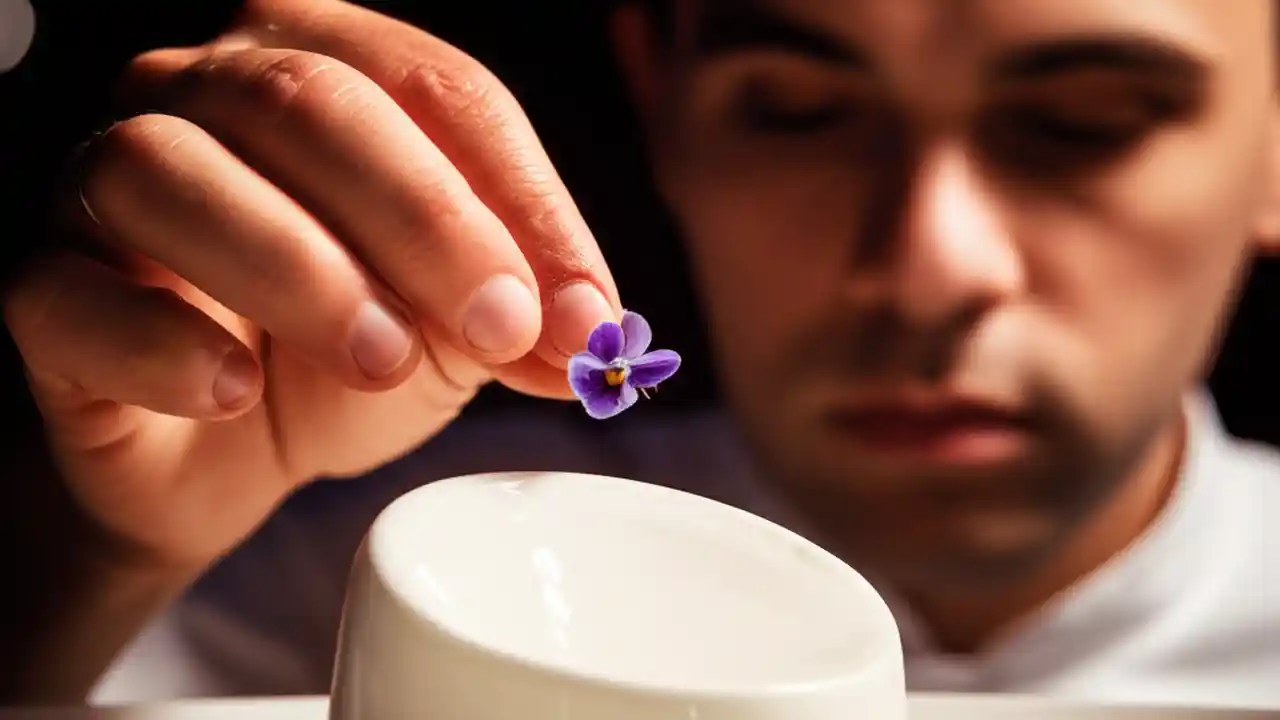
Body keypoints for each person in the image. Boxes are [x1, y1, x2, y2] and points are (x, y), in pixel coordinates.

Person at [2, 0, 1279, 708]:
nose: (930, 265)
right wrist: (99, 552)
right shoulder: (392, 577)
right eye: (793, 110)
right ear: (660, 99)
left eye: (1082, 123)